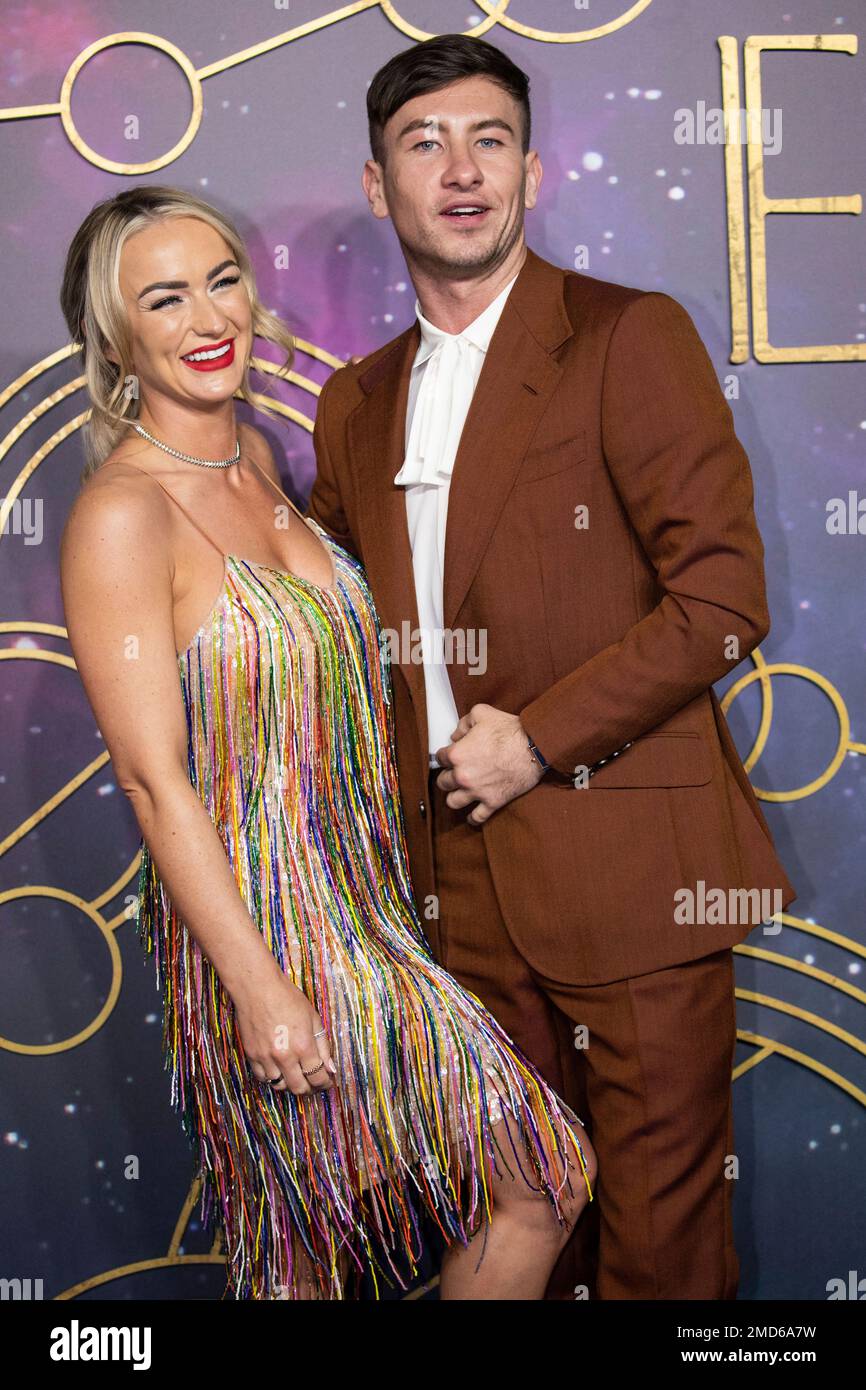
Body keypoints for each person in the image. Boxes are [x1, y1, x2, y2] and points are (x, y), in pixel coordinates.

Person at [305, 34, 798, 1300]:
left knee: (658, 1251)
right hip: (446, 899)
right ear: (377, 185)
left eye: (490, 140)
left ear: (531, 168)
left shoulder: (624, 335)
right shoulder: (352, 402)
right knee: (518, 1227)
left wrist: (534, 735)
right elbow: (339, 623)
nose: (460, 170)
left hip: (631, 875)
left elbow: (721, 600)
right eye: (425, 143)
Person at [57, 185, 595, 1301]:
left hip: (362, 907)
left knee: (322, 1248)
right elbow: (154, 783)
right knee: (488, 1192)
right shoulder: (122, 513)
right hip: (260, 926)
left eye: (221, 281)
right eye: (165, 298)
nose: (208, 317)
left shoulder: (255, 455)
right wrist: (258, 989)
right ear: (116, 337)